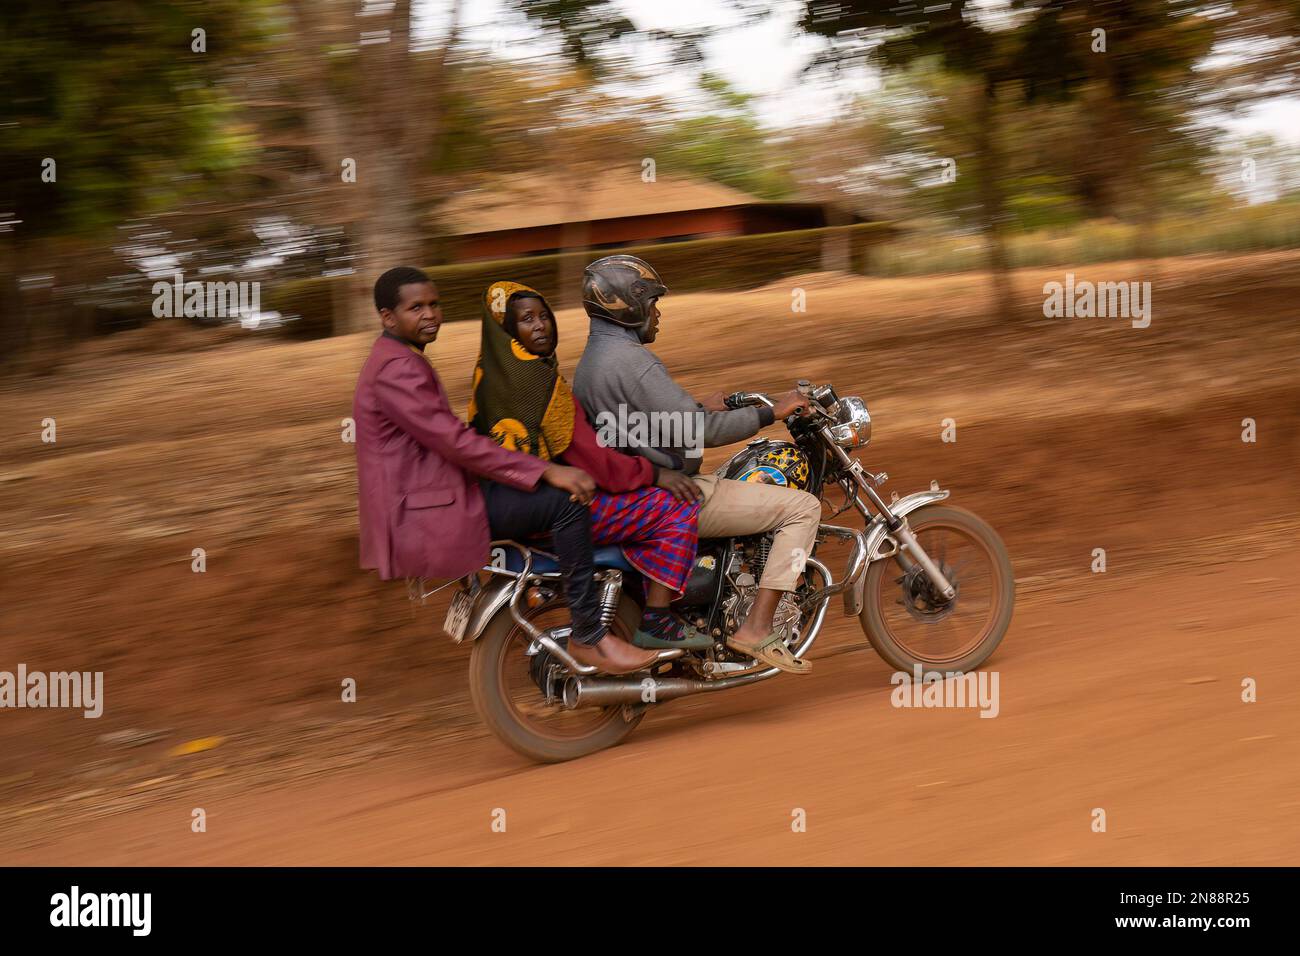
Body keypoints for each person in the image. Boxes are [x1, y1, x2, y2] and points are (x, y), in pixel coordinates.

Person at [353, 266, 660, 675]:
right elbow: (453, 441)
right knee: (566, 503)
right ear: (388, 317)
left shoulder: (395, 357)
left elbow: (446, 436)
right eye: (415, 308)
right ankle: (589, 635)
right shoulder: (399, 368)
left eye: (433, 304)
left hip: (433, 496)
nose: (429, 315)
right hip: (431, 509)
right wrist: (544, 471)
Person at [572, 255, 821, 675]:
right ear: (626, 305)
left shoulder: (596, 359)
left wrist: (697, 405)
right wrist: (772, 412)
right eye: (651, 302)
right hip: (665, 490)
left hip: (634, 486)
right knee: (802, 509)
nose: (658, 312)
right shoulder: (632, 361)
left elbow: (648, 420)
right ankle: (757, 628)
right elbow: (699, 431)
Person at [468, 280, 710, 649]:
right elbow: (592, 462)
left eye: (544, 316)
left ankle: (636, 599)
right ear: (506, 330)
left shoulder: (491, 375)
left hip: (508, 505)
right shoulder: (539, 382)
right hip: (550, 509)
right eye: (526, 319)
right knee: (676, 507)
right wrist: (656, 472)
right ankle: (658, 619)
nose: (540, 325)